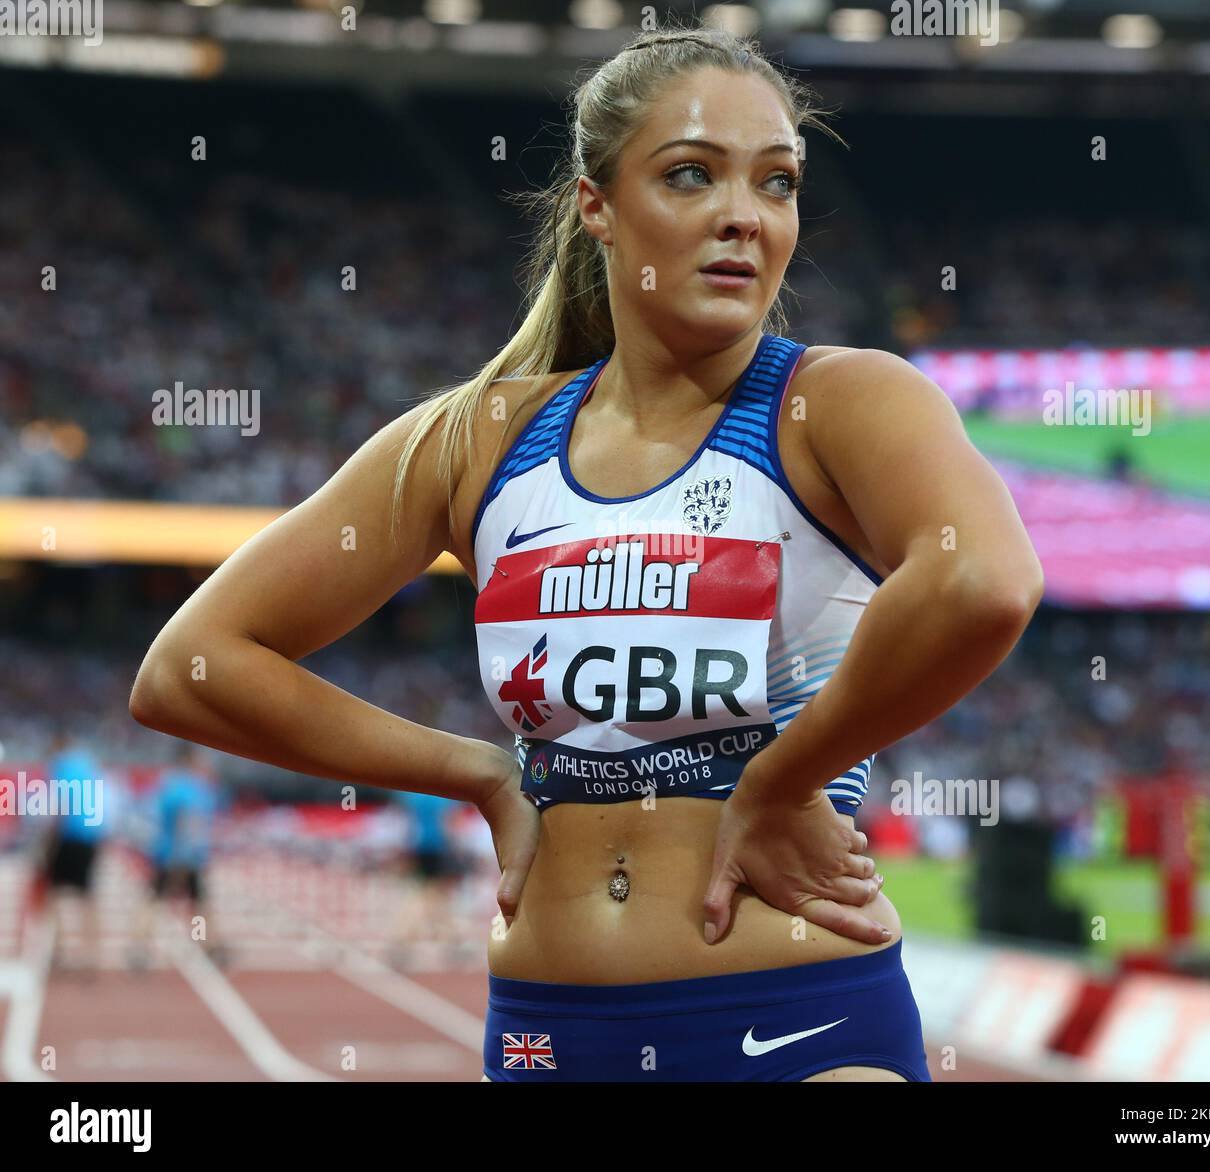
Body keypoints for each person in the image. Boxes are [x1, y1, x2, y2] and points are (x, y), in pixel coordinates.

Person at [129, 21, 1042, 1081]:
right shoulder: (476, 439)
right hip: (546, 1035)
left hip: (799, 1019)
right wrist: (472, 769)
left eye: (778, 182)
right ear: (595, 205)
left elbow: (982, 578)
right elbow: (188, 667)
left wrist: (785, 781)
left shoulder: (837, 401)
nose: (743, 217)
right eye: (691, 175)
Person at [130, 743, 225, 969]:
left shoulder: (167, 785)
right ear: (189, 760)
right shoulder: (190, 787)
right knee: (191, 903)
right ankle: (202, 943)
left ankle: (141, 946)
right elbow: (187, 822)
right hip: (182, 854)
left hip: (168, 852)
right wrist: (185, 854)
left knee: (163, 901)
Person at [39, 727, 111, 975]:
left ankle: (61, 952)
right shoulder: (88, 763)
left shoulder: (59, 764)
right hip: (91, 835)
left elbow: (60, 806)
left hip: (69, 835)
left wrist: (48, 843)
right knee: (87, 895)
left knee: (54, 894)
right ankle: (91, 954)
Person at [388, 788, 465, 968]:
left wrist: (405, 852)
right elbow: (450, 823)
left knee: (432, 894)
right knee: (430, 895)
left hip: (419, 848)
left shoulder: (412, 795)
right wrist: (456, 849)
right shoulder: (444, 795)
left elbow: (405, 824)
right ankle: (404, 939)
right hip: (438, 849)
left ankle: (451, 939)